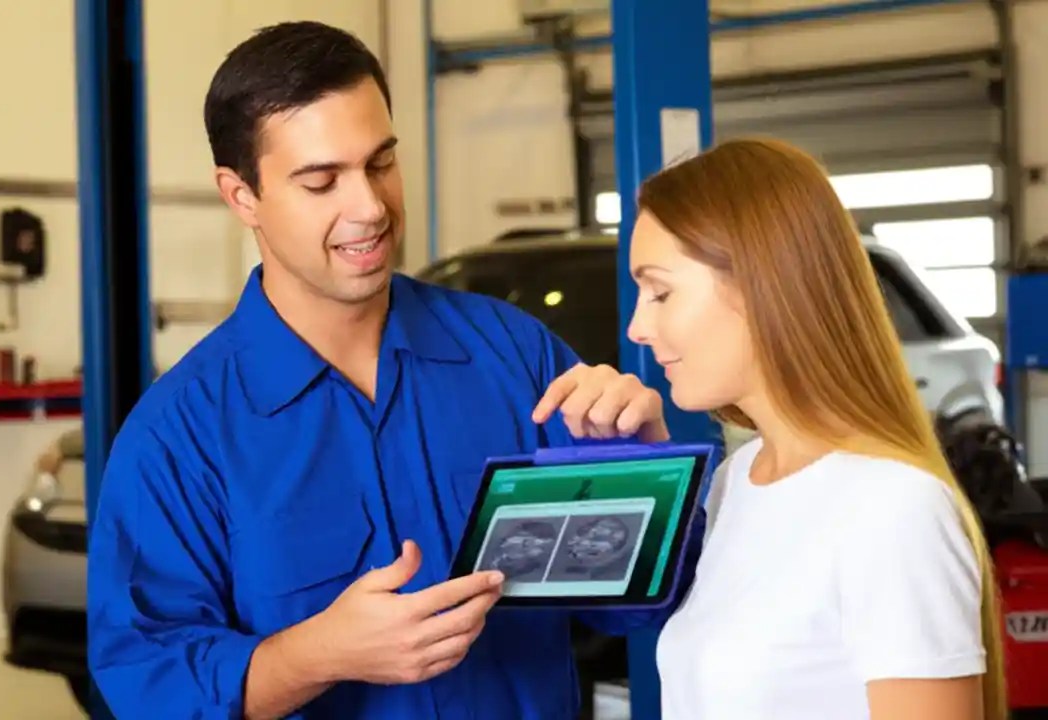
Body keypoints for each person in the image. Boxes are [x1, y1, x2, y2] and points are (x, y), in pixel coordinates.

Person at [87, 21, 683, 719]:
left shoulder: (514, 356)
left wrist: (647, 474)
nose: (369, 207)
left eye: (380, 163)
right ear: (241, 195)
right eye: (321, 181)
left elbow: (631, 606)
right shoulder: (178, 438)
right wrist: (315, 656)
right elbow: (152, 682)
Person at [627, 138, 1006, 720]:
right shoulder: (738, 481)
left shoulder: (892, 507)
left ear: (760, 285)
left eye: (660, 292)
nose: (638, 326)